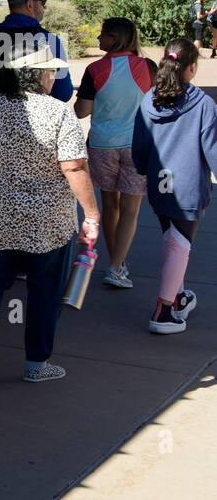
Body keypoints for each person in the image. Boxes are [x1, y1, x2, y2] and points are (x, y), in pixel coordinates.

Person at [0, 43, 100, 386]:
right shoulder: (59, 113)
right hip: (48, 223)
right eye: (51, 71)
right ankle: (36, 364)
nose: (54, 77)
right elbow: (74, 167)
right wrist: (91, 214)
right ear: (38, 76)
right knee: (44, 291)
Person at [131, 39, 217, 334]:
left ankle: (178, 297)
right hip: (188, 185)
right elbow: (213, 149)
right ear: (191, 68)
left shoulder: (148, 99)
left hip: (159, 181)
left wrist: (144, 168)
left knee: (171, 239)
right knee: (180, 244)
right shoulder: (203, 104)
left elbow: (140, 145)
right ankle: (163, 310)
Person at [74, 18, 154, 289]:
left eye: (102, 35)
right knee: (131, 210)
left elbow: (82, 111)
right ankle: (117, 266)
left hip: (102, 144)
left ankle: (116, 263)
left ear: (114, 38)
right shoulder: (148, 67)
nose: (97, 39)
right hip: (137, 144)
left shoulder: (95, 69)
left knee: (110, 206)